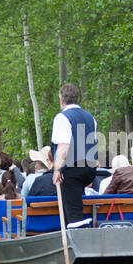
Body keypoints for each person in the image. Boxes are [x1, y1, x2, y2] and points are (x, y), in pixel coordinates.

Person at [50, 83, 98, 223]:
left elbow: (63, 147)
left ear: (61, 100)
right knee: (74, 200)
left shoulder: (62, 117)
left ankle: (75, 238)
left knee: (73, 212)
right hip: (90, 168)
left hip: (73, 168)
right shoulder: (90, 117)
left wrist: (57, 169)